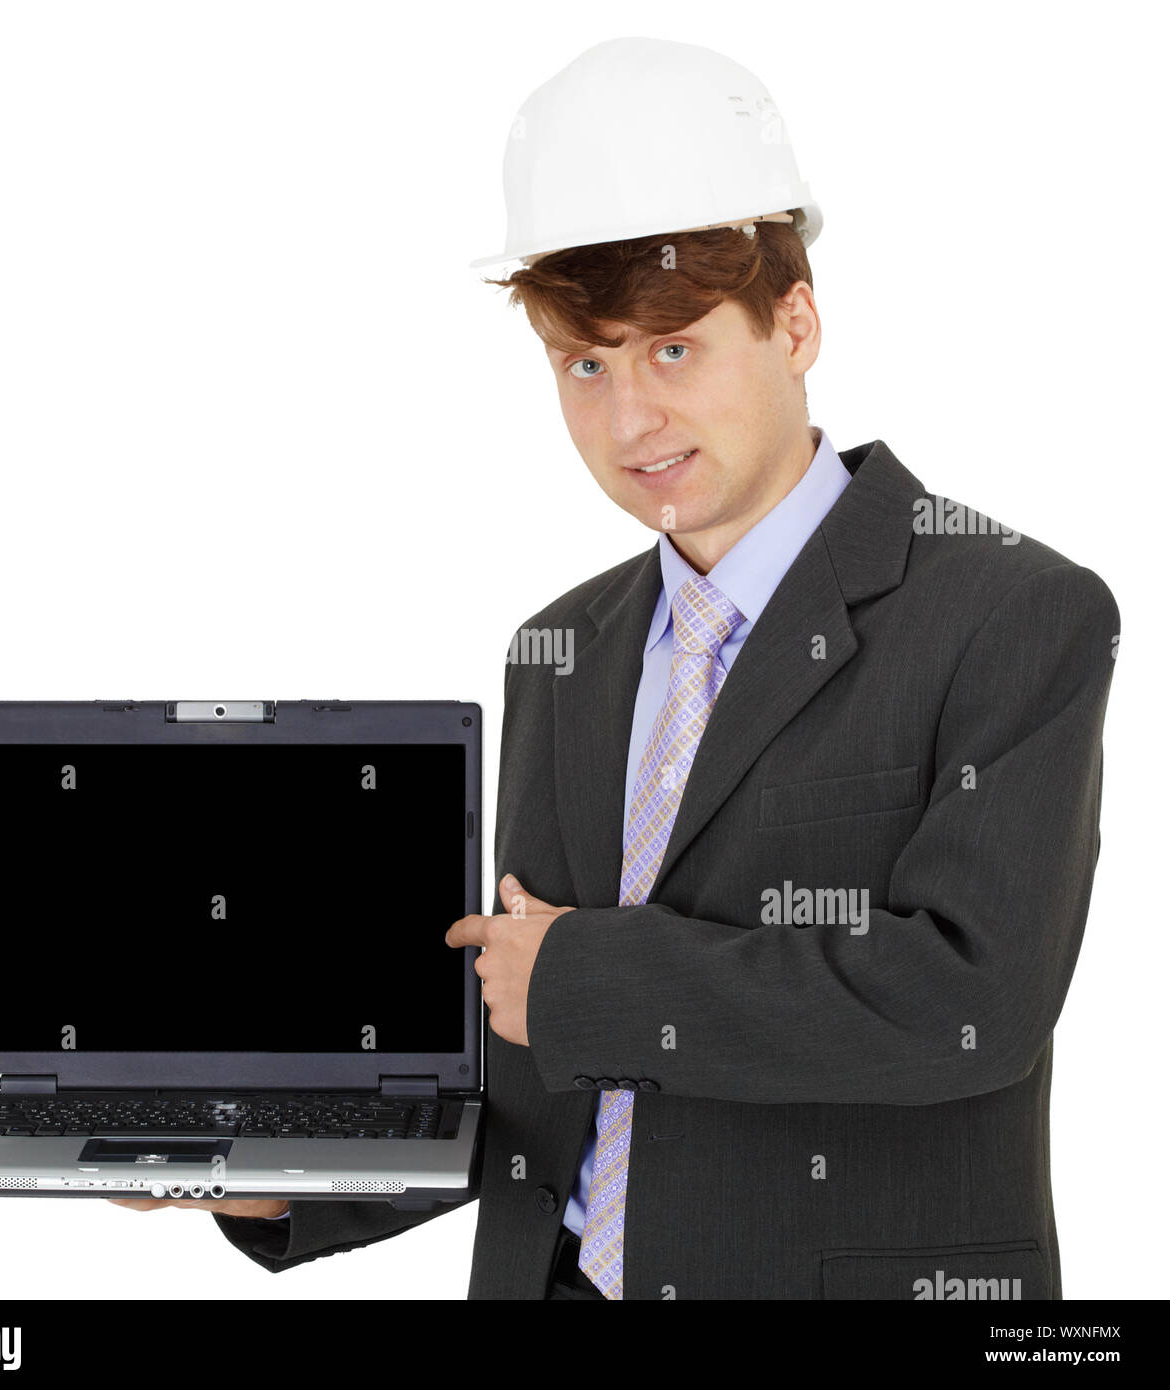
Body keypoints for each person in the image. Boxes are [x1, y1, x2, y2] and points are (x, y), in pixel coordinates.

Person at [116, 37, 1119, 1301]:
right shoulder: (564, 648)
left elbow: (969, 1001)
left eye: (672, 348)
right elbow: (540, 1052)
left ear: (794, 323)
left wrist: (581, 976)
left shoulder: (1013, 612)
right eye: (584, 364)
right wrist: (279, 1179)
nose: (628, 419)